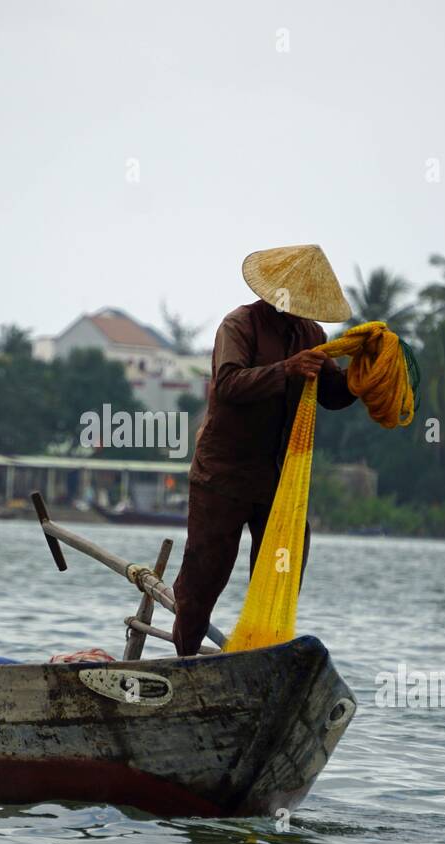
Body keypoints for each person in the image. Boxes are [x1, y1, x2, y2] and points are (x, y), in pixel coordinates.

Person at [171, 245, 358, 656]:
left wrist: (364, 374)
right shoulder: (239, 326)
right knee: (203, 578)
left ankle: (261, 653)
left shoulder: (311, 335)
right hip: (222, 477)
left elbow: (332, 394)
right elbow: (229, 384)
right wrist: (286, 369)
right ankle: (184, 662)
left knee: (281, 570)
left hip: (277, 481)